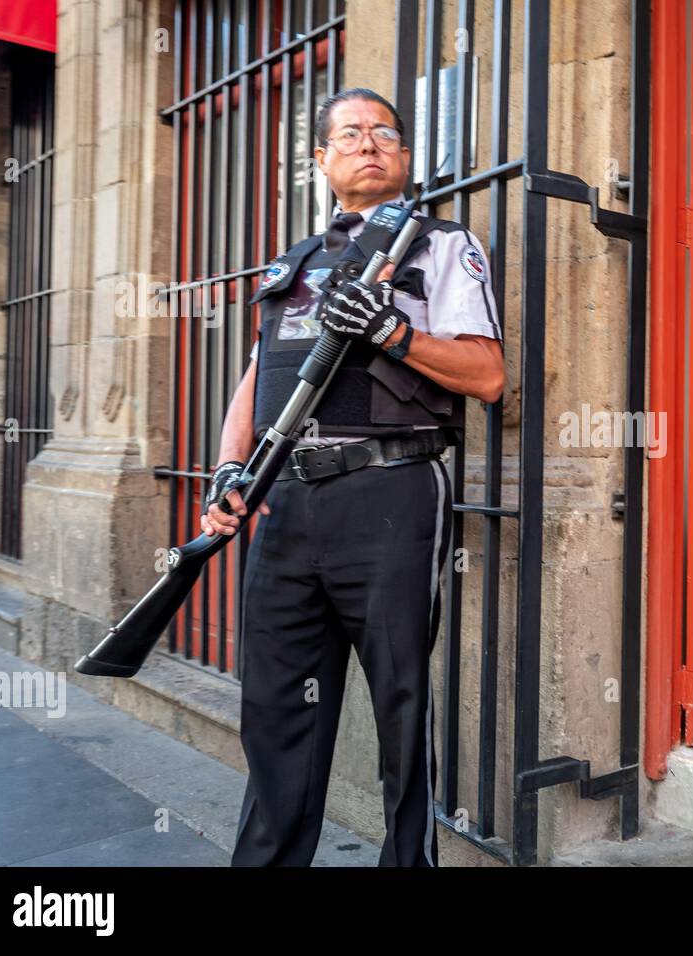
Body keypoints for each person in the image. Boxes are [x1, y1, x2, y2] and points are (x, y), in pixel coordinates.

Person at [200, 87, 505, 865]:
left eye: (385, 134)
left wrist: (395, 332)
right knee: (274, 710)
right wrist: (232, 468)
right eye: (351, 133)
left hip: (391, 490)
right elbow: (256, 378)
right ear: (321, 159)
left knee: (400, 703)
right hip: (288, 501)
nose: (369, 143)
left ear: (403, 158)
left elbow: (488, 375)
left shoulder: (439, 246)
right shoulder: (295, 264)